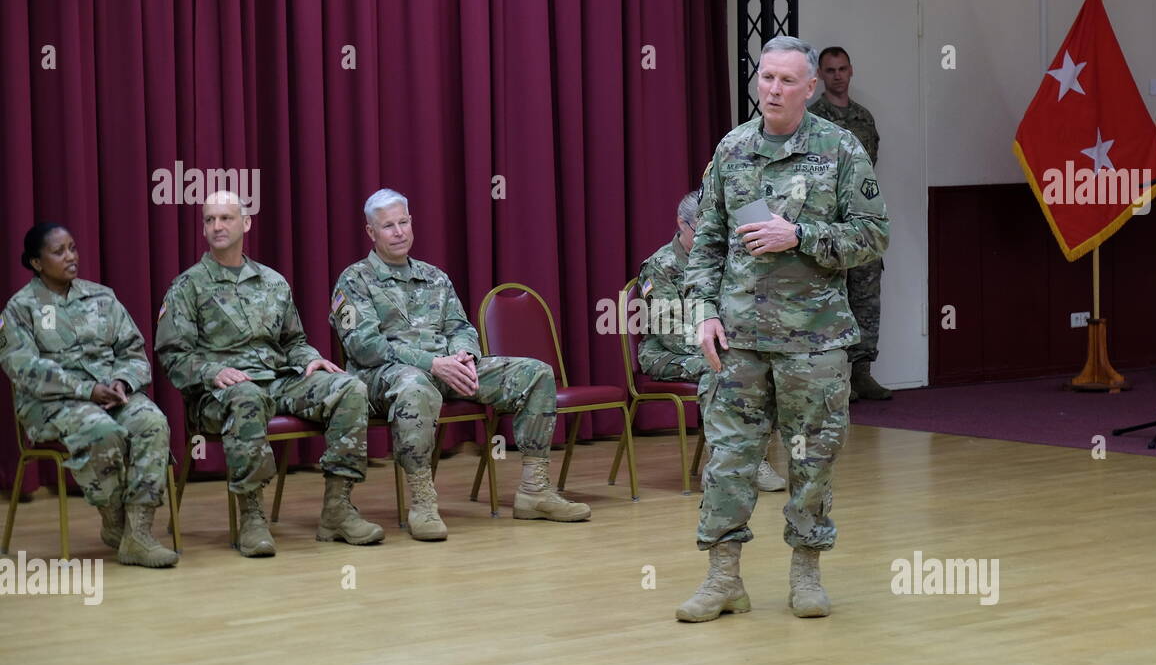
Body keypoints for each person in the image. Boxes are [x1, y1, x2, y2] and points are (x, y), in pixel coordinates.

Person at [677, 35, 888, 622]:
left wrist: (802, 237)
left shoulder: (841, 150)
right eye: (766, 77)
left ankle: (807, 574)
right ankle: (723, 579)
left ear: (810, 88)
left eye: (787, 80)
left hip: (814, 342)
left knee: (812, 461)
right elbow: (707, 244)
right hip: (738, 340)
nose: (773, 89)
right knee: (728, 461)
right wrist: (702, 313)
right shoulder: (733, 148)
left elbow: (873, 234)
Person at [330, 188, 591, 538]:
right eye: (388, 226)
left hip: (449, 369)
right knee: (414, 385)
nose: (399, 232)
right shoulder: (354, 280)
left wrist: (466, 355)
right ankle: (423, 502)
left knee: (535, 373)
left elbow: (459, 326)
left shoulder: (434, 277)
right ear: (371, 232)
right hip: (385, 377)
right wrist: (432, 363)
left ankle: (534, 490)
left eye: (403, 222)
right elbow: (365, 347)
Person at [155, 190, 382, 557]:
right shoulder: (188, 286)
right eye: (209, 220)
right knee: (247, 396)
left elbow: (294, 340)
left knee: (349, 388)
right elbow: (172, 354)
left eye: (226, 218)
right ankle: (252, 516)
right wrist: (213, 371)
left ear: (246, 223)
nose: (217, 226)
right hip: (220, 394)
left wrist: (310, 358)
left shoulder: (273, 283)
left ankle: (337, 508)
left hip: (278, 380)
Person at [0, 223, 177, 567]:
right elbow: (24, 369)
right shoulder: (19, 309)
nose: (70, 257)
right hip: (53, 403)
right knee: (102, 431)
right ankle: (115, 523)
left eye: (73, 248)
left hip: (110, 393)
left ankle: (139, 532)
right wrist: (86, 390)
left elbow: (134, 351)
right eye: (59, 251)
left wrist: (123, 383)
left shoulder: (102, 297)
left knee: (153, 422)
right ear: (36, 263)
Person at [637, 187, 786, 492]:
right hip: (667, 351)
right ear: (682, 224)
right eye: (701, 231)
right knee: (717, 370)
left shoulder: (722, 260)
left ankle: (753, 457)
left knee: (762, 367)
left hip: (719, 344)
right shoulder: (661, 266)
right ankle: (722, 465)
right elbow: (670, 332)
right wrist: (720, 349)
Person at [808, 46, 891, 401]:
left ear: (851, 71)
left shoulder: (863, 118)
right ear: (820, 76)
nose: (838, 75)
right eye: (830, 70)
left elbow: (870, 169)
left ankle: (862, 371)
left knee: (866, 296)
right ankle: (836, 376)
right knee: (831, 298)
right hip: (829, 224)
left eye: (842, 69)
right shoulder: (813, 118)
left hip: (863, 223)